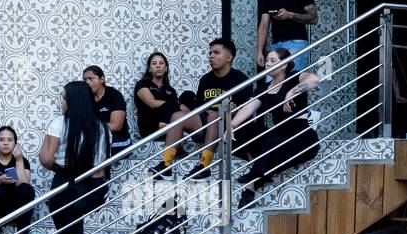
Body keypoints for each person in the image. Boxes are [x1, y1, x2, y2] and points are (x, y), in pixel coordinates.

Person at [230, 47, 321, 208]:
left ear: (284, 65)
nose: (267, 64)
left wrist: (292, 92)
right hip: (279, 133)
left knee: (270, 145)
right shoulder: (263, 89)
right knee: (241, 131)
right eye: (266, 61)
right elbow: (248, 108)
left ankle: (250, 188)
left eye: (273, 61)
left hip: (302, 135)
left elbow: (314, 79)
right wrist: (231, 126)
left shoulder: (294, 77)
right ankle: (258, 167)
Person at [38, 80, 110, 234]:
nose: (61, 102)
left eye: (64, 98)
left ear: (73, 101)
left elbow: (46, 159)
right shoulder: (102, 126)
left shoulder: (59, 123)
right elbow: (104, 160)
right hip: (96, 187)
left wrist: (56, 167)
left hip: (67, 183)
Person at [182, 38, 250, 180]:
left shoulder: (241, 79)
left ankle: (204, 165)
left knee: (214, 115)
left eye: (216, 53)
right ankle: (166, 163)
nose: (211, 56)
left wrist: (234, 111)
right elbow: (198, 107)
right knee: (178, 116)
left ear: (229, 58)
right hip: (205, 126)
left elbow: (247, 110)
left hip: (228, 126)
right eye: (210, 53)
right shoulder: (205, 80)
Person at [134, 51, 200, 177]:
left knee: (188, 95)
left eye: (161, 63)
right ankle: (179, 142)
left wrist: (179, 108)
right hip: (151, 127)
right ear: (149, 68)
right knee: (172, 104)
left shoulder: (170, 90)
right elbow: (151, 103)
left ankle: (193, 131)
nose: (158, 66)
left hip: (168, 125)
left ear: (166, 68)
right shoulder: (143, 84)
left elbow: (180, 109)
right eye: (154, 63)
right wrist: (174, 104)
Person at [255, 0, 318, 74]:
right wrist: (259, 51)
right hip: (276, 45)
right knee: (272, 83)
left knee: (293, 82)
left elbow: (314, 18)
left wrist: (290, 15)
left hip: (297, 43)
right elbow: (264, 25)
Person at [83, 65, 131, 159]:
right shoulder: (86, 98)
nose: (87, 82)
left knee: (93, 149)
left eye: (90, 78)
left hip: (119, 140)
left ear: (102, 79)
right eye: (85, 79)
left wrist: (90, 129)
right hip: (97, 139)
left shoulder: (114, 95)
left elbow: (116, 126)